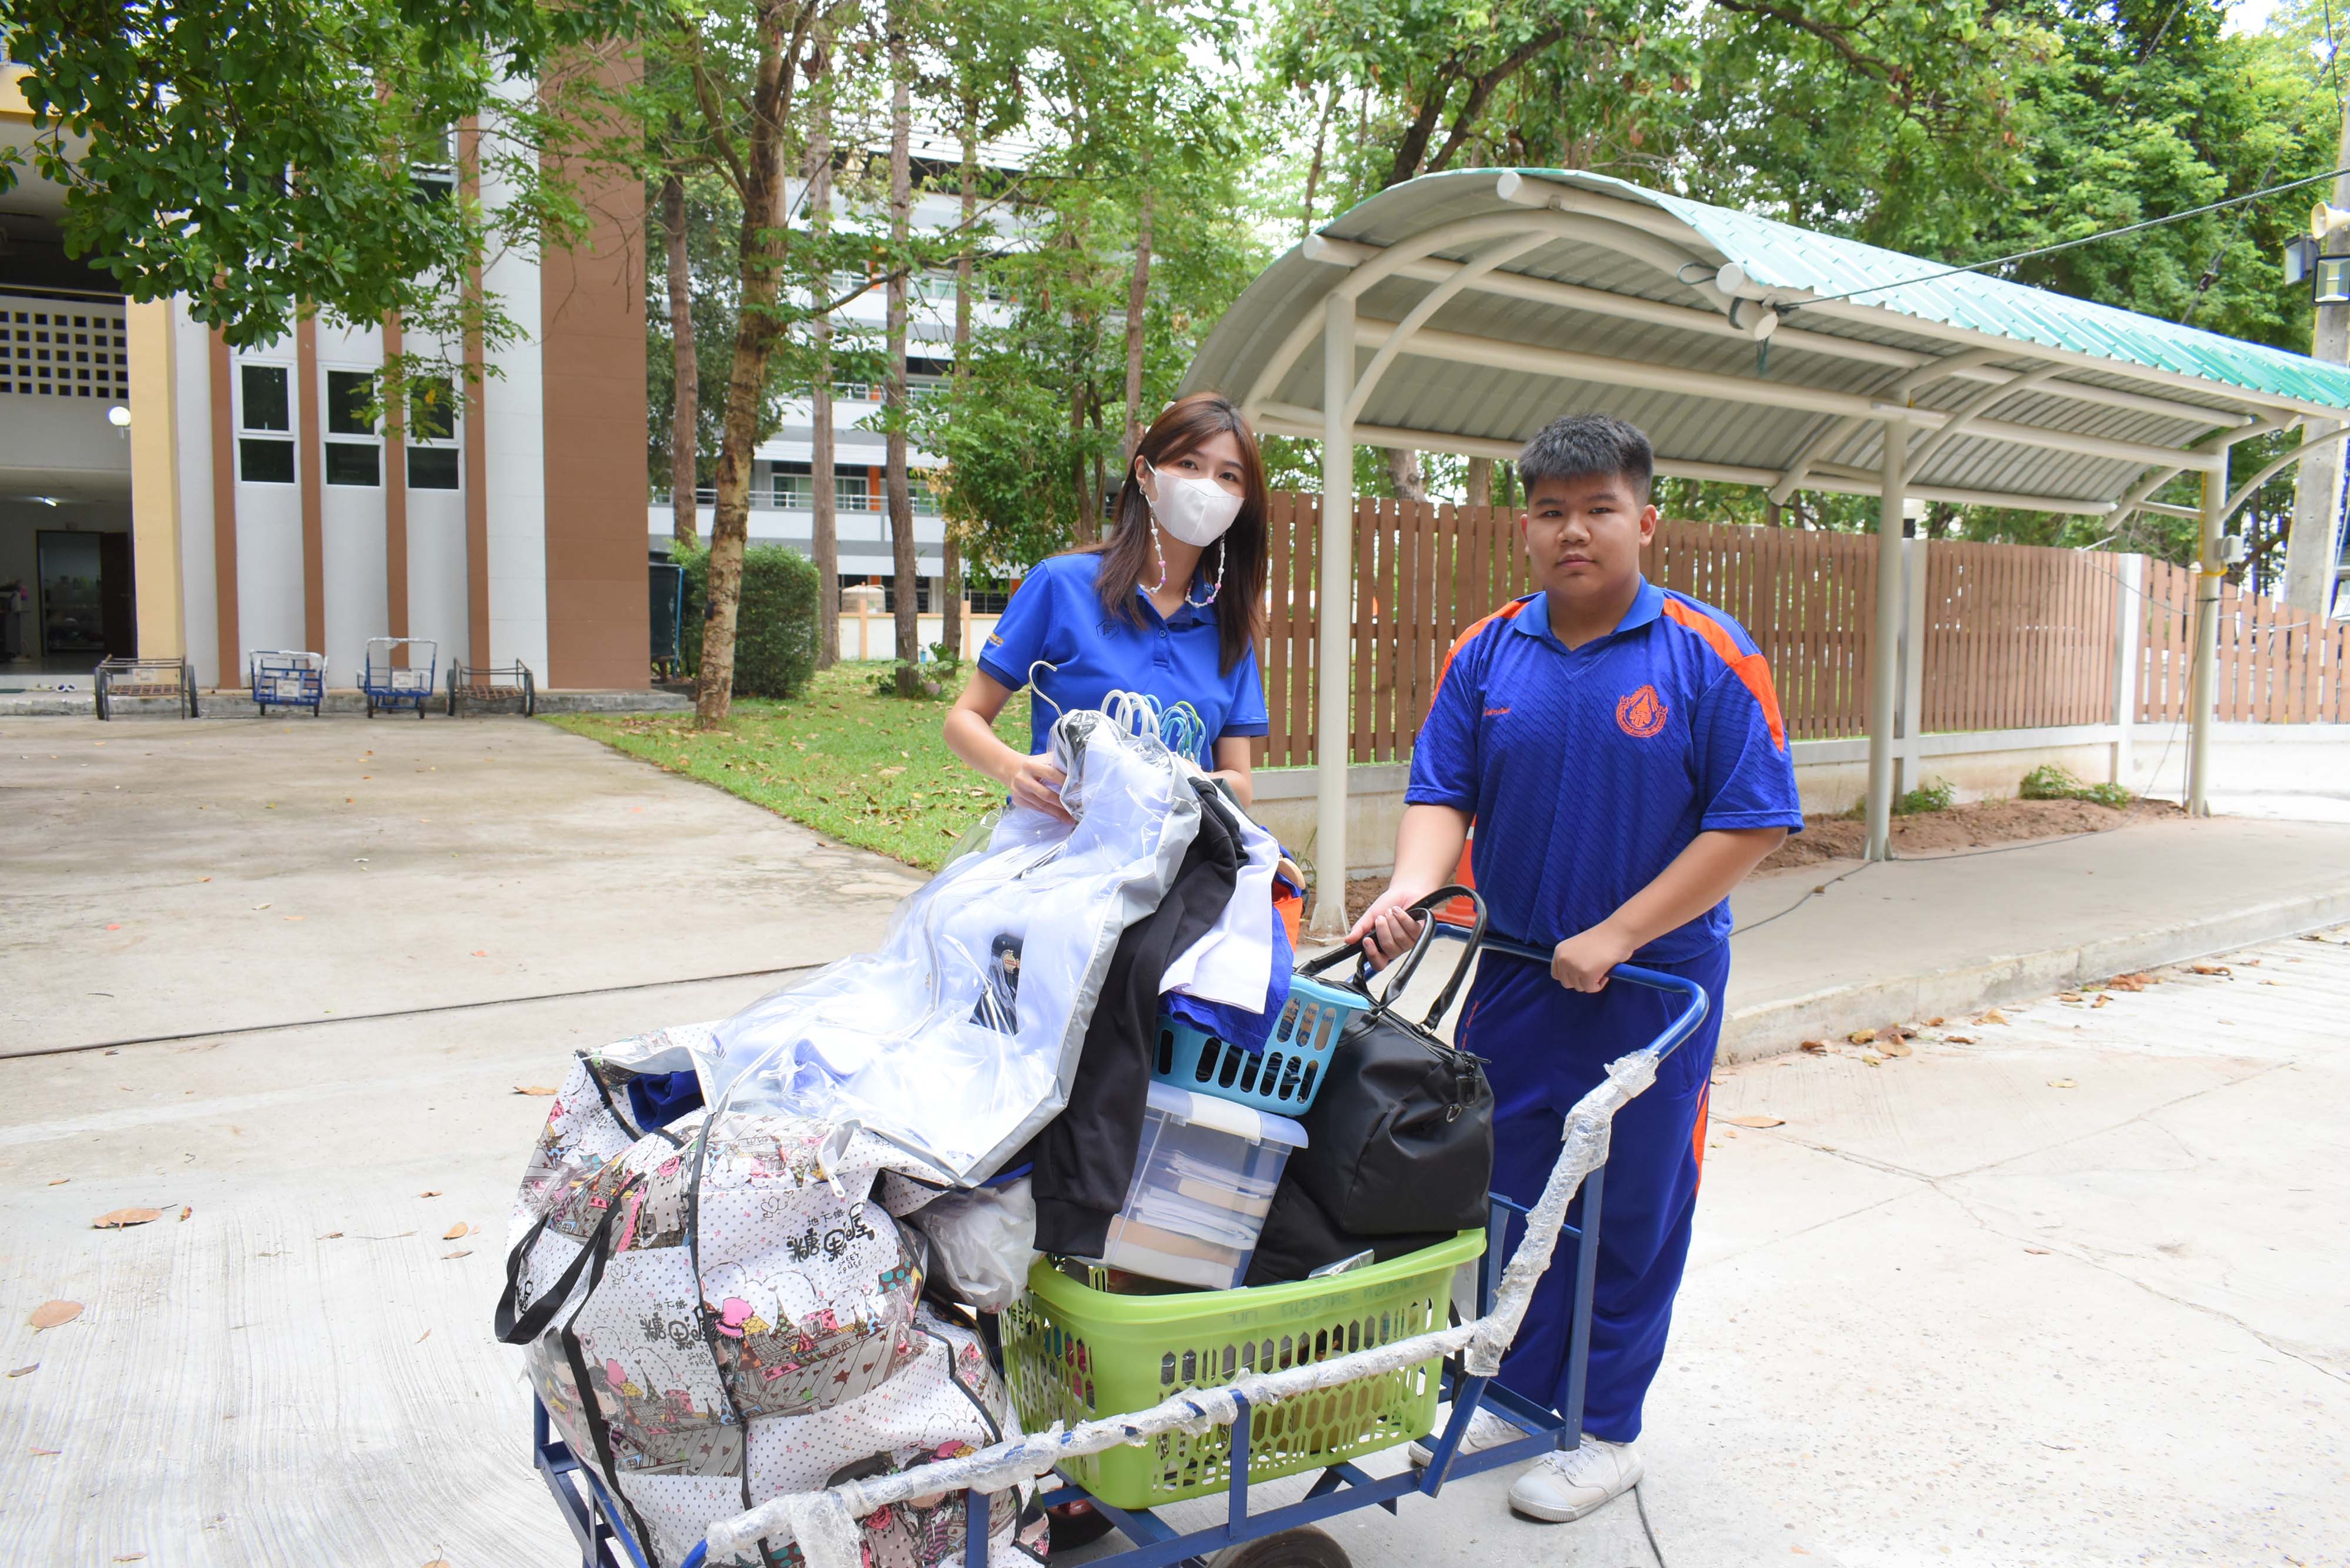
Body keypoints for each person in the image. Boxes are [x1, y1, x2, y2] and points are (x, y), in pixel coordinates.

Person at [1349, 414, 1802, 1525]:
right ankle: (1518, 1387)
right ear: (1526, 526)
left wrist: (1622, 934)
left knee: (1632, 1206)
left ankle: (1605, 1429)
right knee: (1512, 1193)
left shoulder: (1709, 651)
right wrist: (1415, 885)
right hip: (1513, 973)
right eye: (1552, 510)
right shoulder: (1488, 650)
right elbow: (1441, 792)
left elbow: (1750, 824)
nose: (1575, 530)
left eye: (1600, 508)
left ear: (1645, 521)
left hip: (1653, 996)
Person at [946, 392, 1270, 815]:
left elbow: (1239, 782)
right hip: (1057, 851)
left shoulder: (1229, 624)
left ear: (1243, 502)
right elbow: (964, 719)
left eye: (1228, 476)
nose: (1206, 487)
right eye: (1189, 464)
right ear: (1144, 472)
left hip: (1179, 859)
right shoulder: (1060, 585)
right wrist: (1015, 769)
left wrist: (1179, 783)